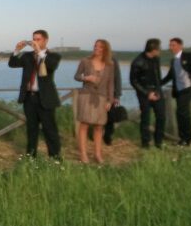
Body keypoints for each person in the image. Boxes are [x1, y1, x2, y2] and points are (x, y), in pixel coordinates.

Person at [8, 29, 62, 159]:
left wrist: (40, 52)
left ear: (45, 40)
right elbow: (12, 64)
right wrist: (17, 50)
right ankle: (31, 157)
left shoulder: (53, 56)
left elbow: (52, 66)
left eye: (38, 39)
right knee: (32, 129)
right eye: (34, 39)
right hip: (29, 98)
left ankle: (55, 159)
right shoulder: (27, 56)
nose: (35, 42)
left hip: (46, 98)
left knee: (50, 130)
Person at [73, 39, 119, 163]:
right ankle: (83, 155)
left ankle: (97, 154)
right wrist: (86, 77)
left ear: (105, 50)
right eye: (95, 46)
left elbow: (111, 84)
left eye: (100, 47)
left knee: (99, 126)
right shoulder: (85, 61)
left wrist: (110, 100)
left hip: (102, 98)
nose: (97, 48)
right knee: (84, 125)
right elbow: (77, 76)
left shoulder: (110, 64)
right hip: (86, 96)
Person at [129, 38, 167, 148]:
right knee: (145, 118)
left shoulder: (156, 59)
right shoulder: (137, 62)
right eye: (159, 48)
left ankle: (158, 142)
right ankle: (145, 144)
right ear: (153, 49)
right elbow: (133, 81)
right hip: (144, 93)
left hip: (157, 91)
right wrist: (147, 93)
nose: (160, 50)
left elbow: (157, 77)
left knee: (161, 117)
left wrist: (158, 91)